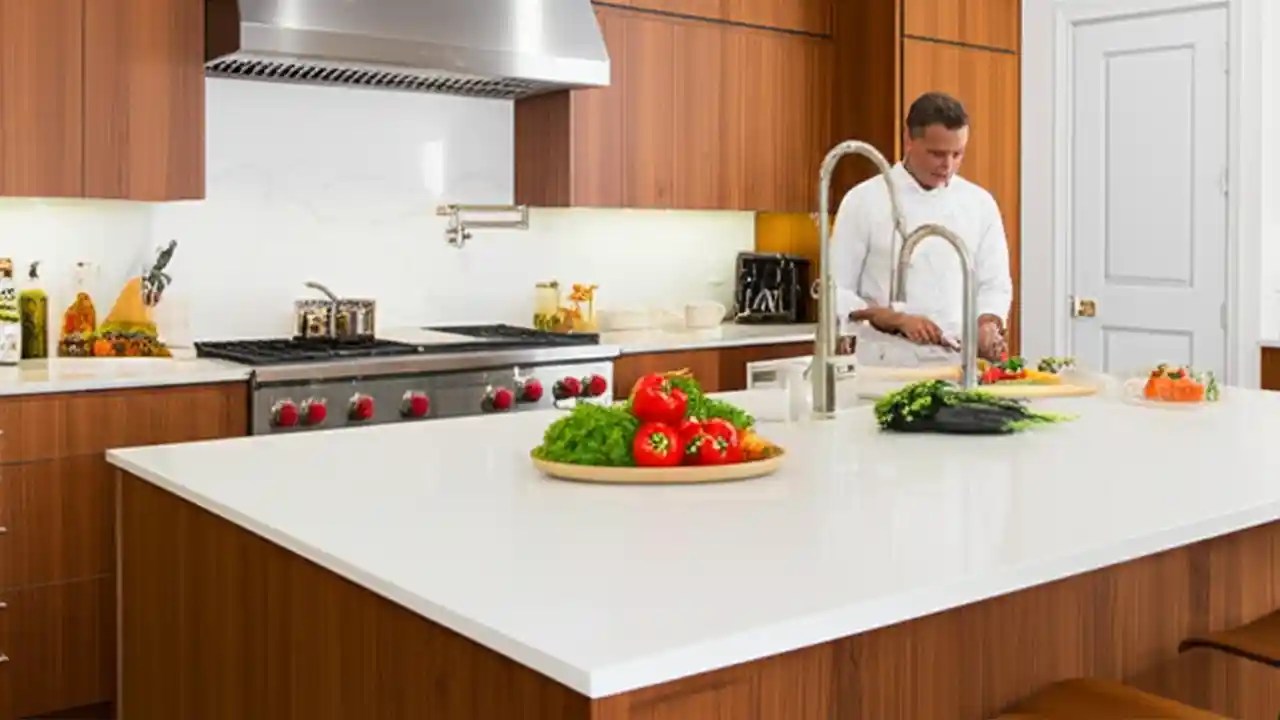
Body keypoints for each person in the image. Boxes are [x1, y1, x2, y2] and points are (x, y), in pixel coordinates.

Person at [831, 91, 1012, 362]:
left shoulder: (980, 203)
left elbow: (995, 284)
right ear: (909, 141)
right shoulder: (864, 200)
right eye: (937, 154)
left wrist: (988, 324)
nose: (947, 166)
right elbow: (836, 290)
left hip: (957, 365)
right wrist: (894, 318)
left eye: (957, 154)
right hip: (885, 362)